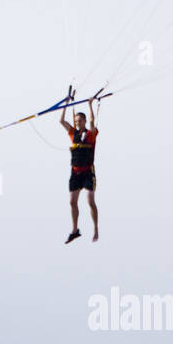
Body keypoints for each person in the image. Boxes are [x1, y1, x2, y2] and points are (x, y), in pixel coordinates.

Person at [61, 98, 99, 243]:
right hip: (75, 173)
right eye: (76, 121)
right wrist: (66, 104)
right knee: (72, 201)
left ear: (83, 121)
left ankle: (95, 228)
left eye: (80, 121)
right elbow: (61, 121)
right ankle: (75, 230)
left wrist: (90, 105)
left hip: (88, 173)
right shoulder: (73, 133)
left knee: (90, 201)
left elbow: (91, 121)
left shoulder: (91, 134)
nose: (77, 123)